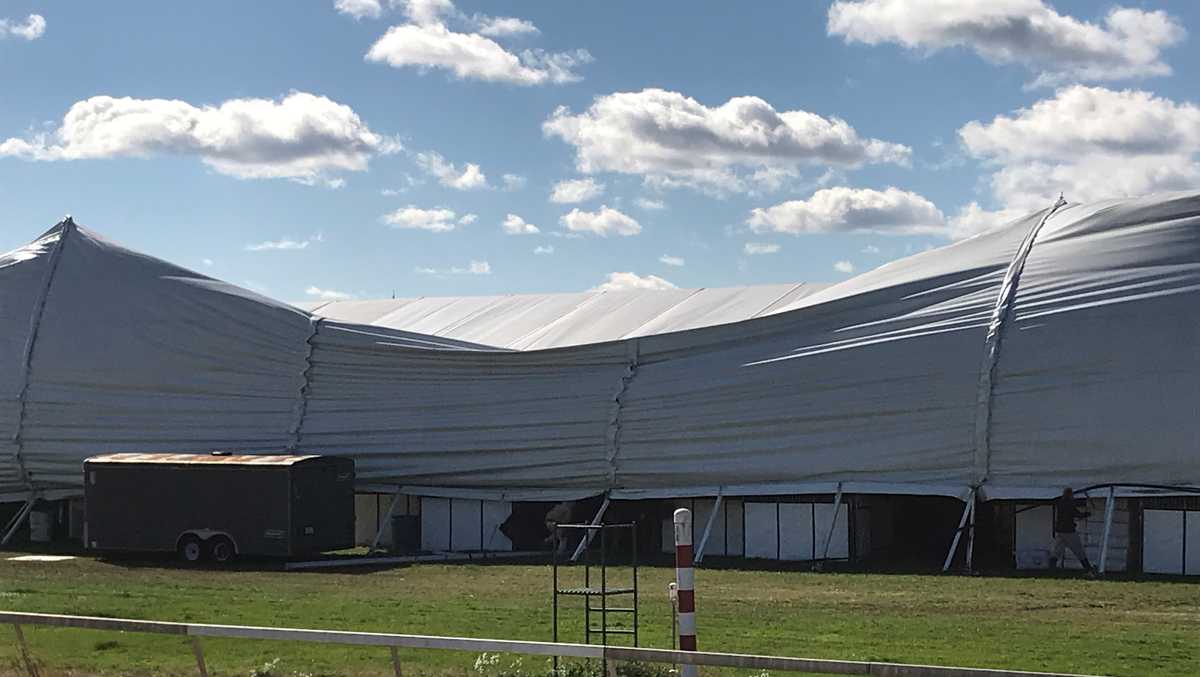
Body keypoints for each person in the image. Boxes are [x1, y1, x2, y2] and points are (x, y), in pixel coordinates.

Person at [1049, 487, 1095, 574]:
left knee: (1056, 551)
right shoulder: (1070, 504)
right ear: (1071, 495)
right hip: (1069, 531)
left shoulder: (1060, 503)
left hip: (1060, 530)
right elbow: (1077, 514)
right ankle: (1088, 569)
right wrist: (1087, 514)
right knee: (1079, 550)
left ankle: (1051, 569)